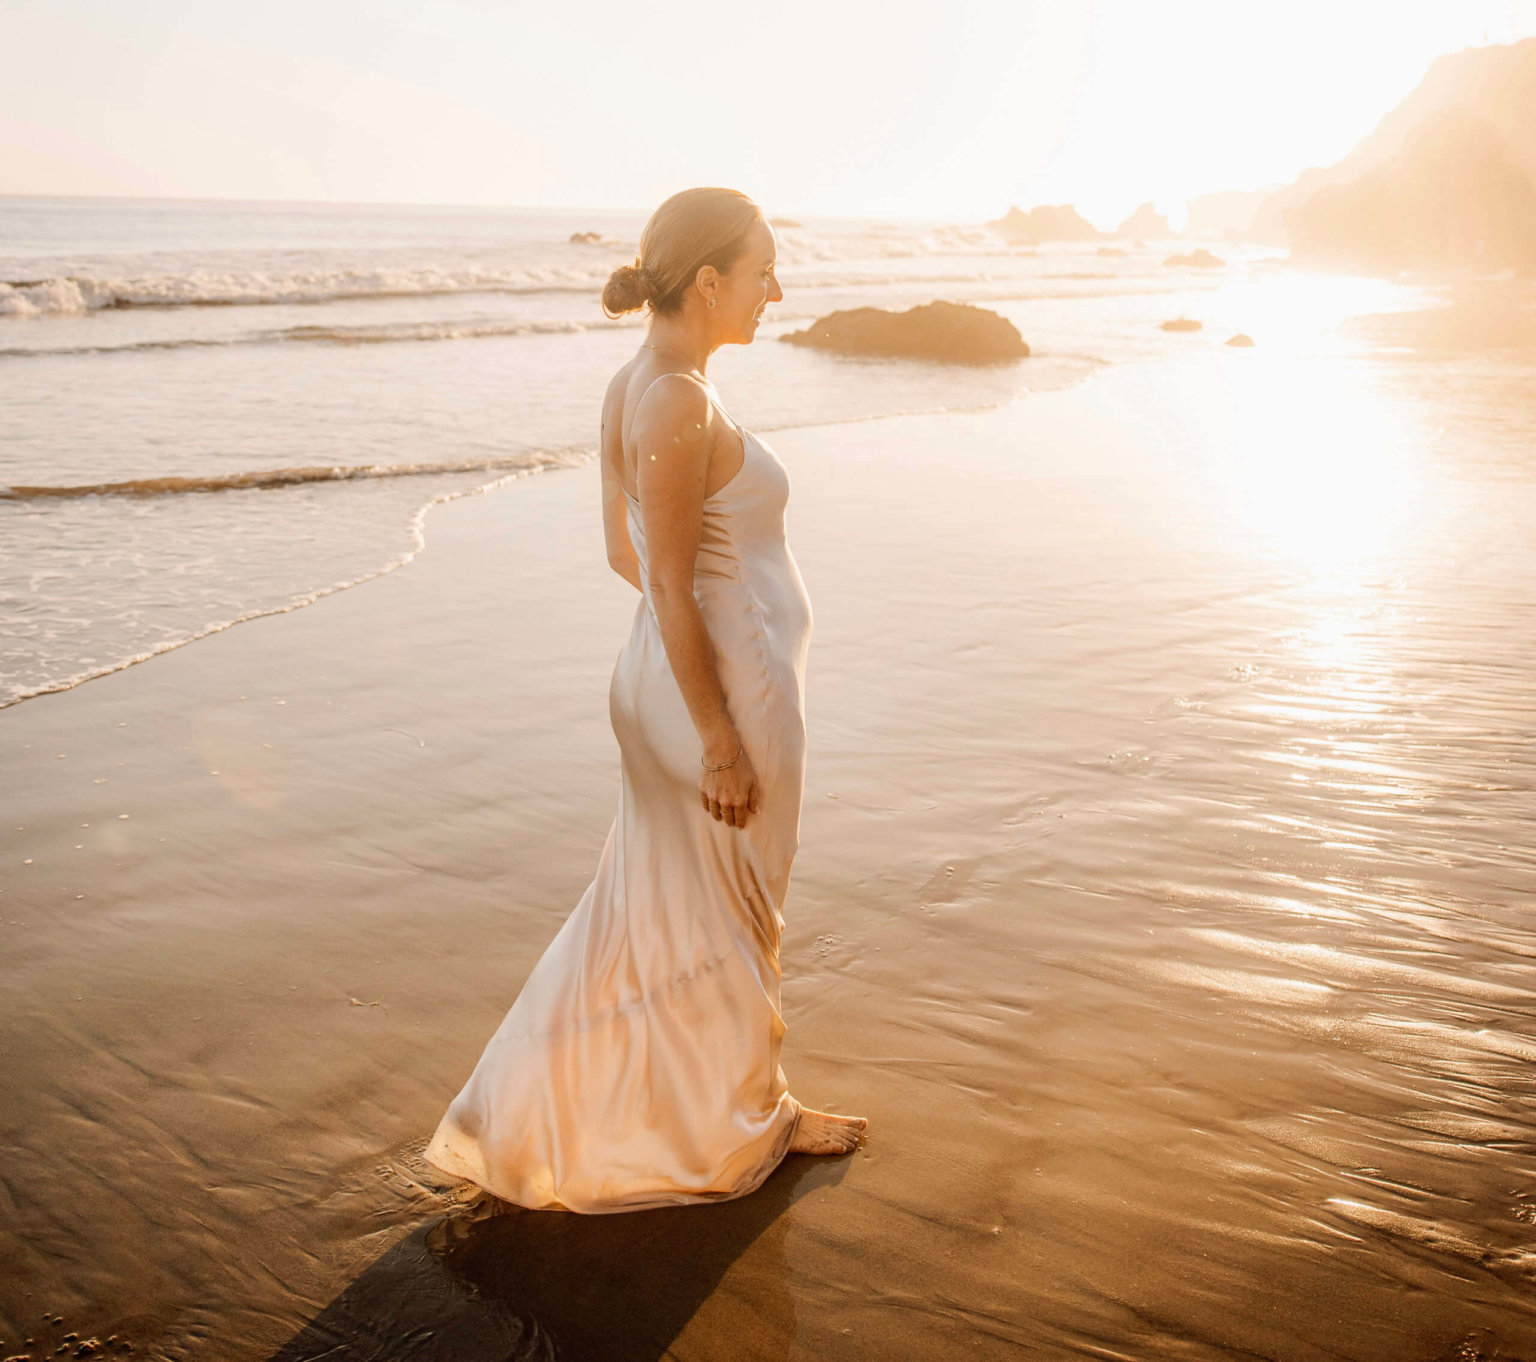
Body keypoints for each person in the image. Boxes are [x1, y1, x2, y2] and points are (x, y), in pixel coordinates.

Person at [422, 187, 866, 1214]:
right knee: (736, 918)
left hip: (668, 682)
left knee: (655, 917)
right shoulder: (677, 399)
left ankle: (537, 1116)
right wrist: (718, 728)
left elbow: (626, 554)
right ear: (709, 281)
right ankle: (753, 1124)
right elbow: (663, 576)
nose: (776, 291)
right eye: (762, 273)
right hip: (718, 698)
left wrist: (698, 644)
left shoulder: (642, 385)